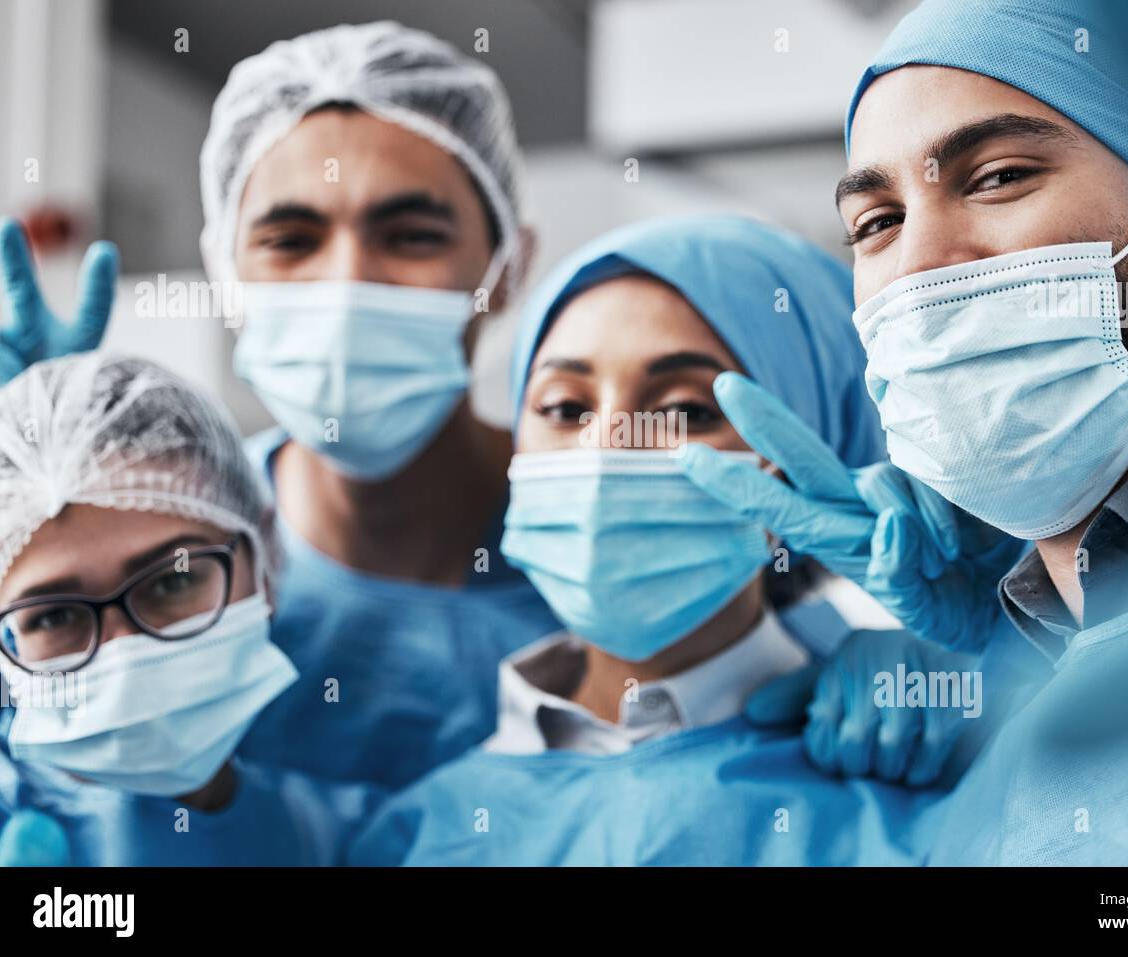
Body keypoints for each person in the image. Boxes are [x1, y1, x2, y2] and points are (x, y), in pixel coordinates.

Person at [680, 0, 1128, 862]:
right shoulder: (1011, 669)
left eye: (996, 176)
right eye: (876, 224)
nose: (918, 264)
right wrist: (1012, 655)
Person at [0, 22, 559, 788]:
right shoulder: (173, 559)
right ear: (225, 276)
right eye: (291, 240)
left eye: (412, 235)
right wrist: (39, 517)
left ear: (507, 268)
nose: (346, 283)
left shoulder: (615, 543)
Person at [349, 216, 987, 866]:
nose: (606, 446)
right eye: (566, 408)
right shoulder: (417, 832)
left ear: (804, 465)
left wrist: (1032, 667)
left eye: (684, 410)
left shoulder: (926, 778)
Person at [0, 353, 380, 865]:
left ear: (264, 563)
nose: (125, 654)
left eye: (173, 581)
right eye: (55, 616)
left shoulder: (349, 843)